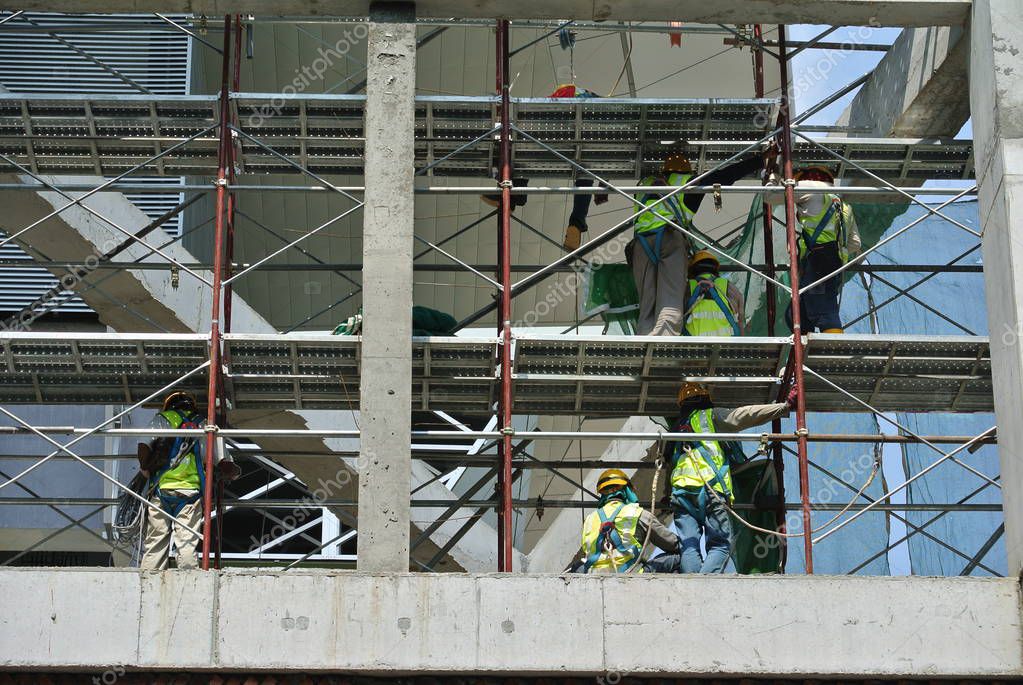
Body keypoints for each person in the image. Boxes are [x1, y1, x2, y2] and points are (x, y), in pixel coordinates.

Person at [665, 382, 796, 573]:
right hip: (711, 488)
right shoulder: (710, 416)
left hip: (681, 493)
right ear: (705, 399)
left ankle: (691, 587)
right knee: (720, 544)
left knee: (689, 545)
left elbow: (670, 464)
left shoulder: (674, 431)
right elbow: (745, 415)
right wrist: (783, 407)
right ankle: (704, 586)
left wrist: (667, 494)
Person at [630, 151, 763, 336]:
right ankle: (665, 339)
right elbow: (725, 175)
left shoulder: (643, 185)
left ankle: (644, 337)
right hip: (670, 239)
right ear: (686, 170)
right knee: (670, 294)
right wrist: (760, 161)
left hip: (641, 244)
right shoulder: (687, 182)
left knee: (647, 299)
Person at [138, 391, 238, 570]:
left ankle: (148, 581)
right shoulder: (206, 426)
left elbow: (143, 445)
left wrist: (145, 466)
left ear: (169, 405)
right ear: (192, 405)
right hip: (189, 493)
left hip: (161, 490)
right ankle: (188, 579)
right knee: (186, 541)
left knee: (155, 541)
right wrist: (233, 472)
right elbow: (224, 464)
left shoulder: (162, 419)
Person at [766, 166, 861, 334]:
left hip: (818, 259)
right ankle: (805, 347)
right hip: (833, 261)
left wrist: (771, 177)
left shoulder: (809, 188)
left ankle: (833, 350)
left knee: (823, 309)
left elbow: (769, 197)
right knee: (796, 314)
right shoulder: (843, 204)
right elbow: (855, 243)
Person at [574, 468, 681, 573]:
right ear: (626, 490)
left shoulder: (589, 519)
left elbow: (587, 551)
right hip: (631, 573)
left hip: (595, 574)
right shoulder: (637, 513)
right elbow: (672, 544)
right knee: (680, 556)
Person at [683, 249, 746, 336]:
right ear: (716, 269)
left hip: (694, 346)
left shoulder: (686, 288)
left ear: (691, 270)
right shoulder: (730, 288)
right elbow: (740, 320)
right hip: (725, 345)